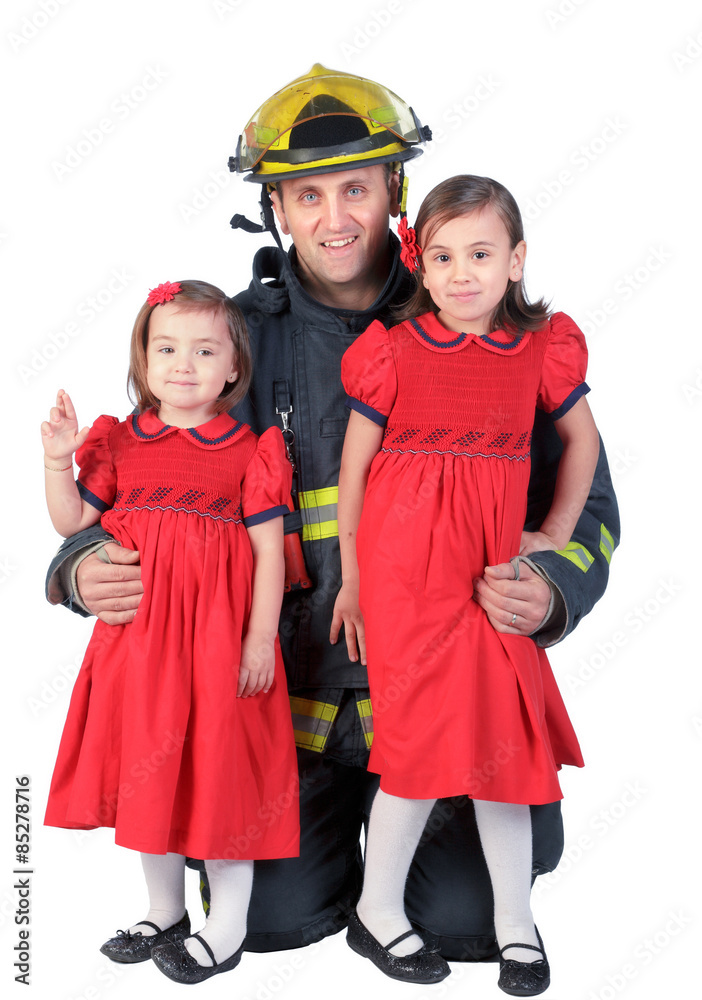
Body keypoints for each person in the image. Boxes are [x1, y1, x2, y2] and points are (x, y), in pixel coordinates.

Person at [45, 66, 619, 961]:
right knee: (266, 920)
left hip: (445, 690)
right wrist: (80, 566)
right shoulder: (224, 338)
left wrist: (549, 580)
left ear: (395, 191)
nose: (335, 217)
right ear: (275, 207)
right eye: (307, 195)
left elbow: (593, 506)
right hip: (286, 709)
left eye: (357, 186)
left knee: (468, 920)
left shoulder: (484, 322)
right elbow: (140, 476)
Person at [333, 174, 599, 993]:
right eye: (442, 256)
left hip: (487, 578)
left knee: (504, 744)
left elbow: (580, 447)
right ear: (422, 262)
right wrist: (350, 579)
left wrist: (551, 539)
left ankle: (515, 920)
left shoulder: (540, 350)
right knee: (410, 746)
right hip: (403, 578)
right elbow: (354, 470)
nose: (461, 274)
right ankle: (377, 908)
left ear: (516, 261)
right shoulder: (396, 348)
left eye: (481, 254)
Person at [42, 280, 298, 985]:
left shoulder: (250, 453)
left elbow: (270, 554)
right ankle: (165, 910)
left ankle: (229, 924)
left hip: (218, 647)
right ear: (144, 360)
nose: (183, 365)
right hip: (144, 649)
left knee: (223, 778)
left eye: (204, 350)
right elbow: (73, 525)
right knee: (147, 776)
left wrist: (257, 640)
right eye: (167, 348)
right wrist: (55, 461)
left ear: (232, 370)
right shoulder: (120, 445)